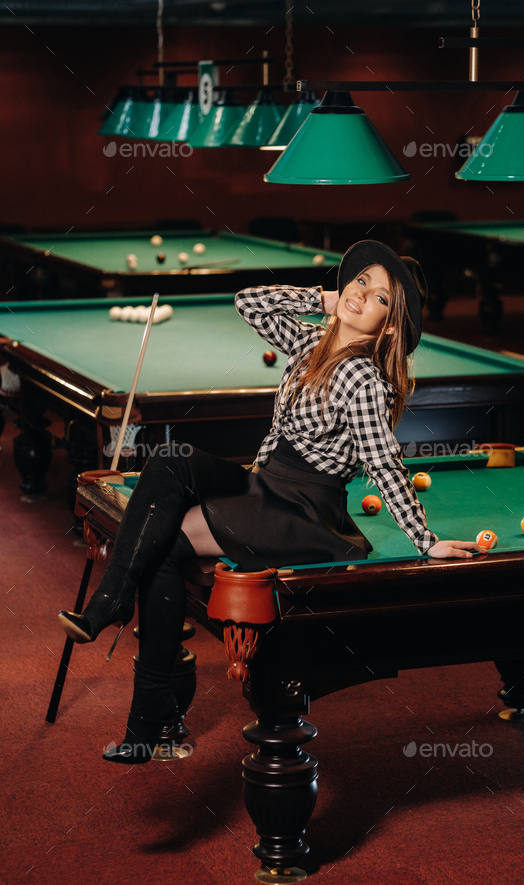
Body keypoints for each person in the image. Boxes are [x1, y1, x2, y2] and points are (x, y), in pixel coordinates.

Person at [58, 240, 484, 765]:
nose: (361, 295)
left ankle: (149, 715)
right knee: (170, 462)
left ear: (390, 325)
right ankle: (120, 614)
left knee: (164, 544)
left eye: (378, 298)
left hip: (300, 511)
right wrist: (326, 299)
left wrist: (426, 540)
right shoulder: (310, 344)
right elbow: (249, 302)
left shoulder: (363, 378)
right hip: (263, 483)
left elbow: (384, 464)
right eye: (361, 282)